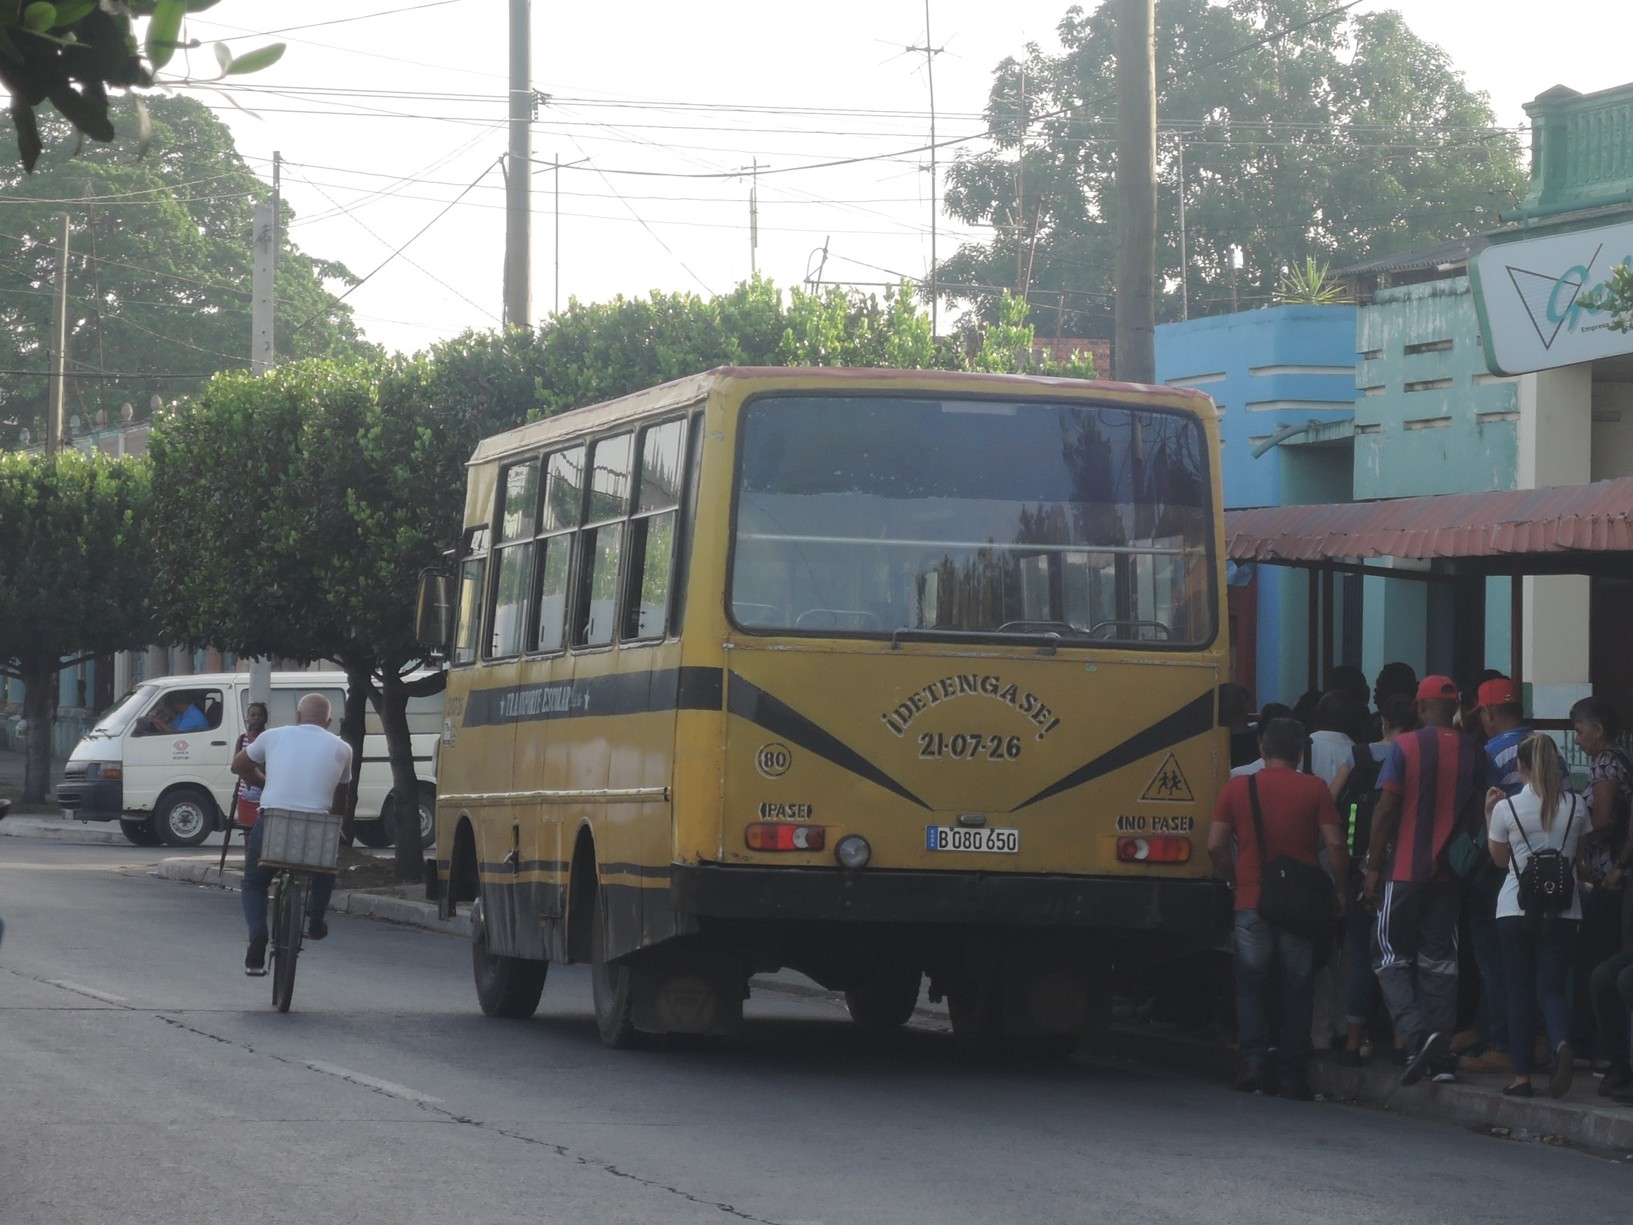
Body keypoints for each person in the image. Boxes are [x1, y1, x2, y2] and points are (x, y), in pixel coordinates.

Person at [1362, 675, 1493, 1086]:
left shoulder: (1404, 747)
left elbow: (1386, 809)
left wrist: (1371, 867)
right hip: (1450, 876)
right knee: (1440, 961)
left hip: (1403, 871)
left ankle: (1418, 1037)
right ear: (1453, 709)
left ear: (1419, 708)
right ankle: (1441, 1060)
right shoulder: (1475, 752)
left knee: (1387, 953)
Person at [1208, 717, 1348, 1100]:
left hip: (1252, 900)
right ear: (1300, 753)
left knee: (1251, 985)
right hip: (1300, 907)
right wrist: (1339, 890)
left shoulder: (1238, 788)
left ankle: (1252, 1062)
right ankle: (1291, 1074)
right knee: (1298, 988)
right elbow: (1335, 844)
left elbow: (1215, 845)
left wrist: (1235, 878)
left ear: (1261, 749)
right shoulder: (1315, 788)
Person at [1487, 733, 1586, 1098]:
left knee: (1519, 991)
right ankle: (1561, 1042)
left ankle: (1522, 1077)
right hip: (1564, 909)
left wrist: (1487, 813)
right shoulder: (1577, 806)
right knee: (1551, 987)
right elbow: (1580, 856)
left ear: (1521, 766)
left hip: (1515, 907)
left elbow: (1499, 860)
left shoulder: (1506, 808)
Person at [1457, 677, 1547, 1075]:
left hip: (1500, 869)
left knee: (1493, 960)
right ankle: (1537, 1039)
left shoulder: (1489, 753)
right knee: (1535, 962)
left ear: (1490, 713)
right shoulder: (1548, 750)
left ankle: (1503, 1043)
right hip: (1545, 870)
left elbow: (1483, 811)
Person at [231, 693, 353, 976]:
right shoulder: (342, 748)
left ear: (298, 717)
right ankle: (315, 919)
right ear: (329, 722)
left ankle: (258, 936)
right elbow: (340, 799)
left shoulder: (274, 736)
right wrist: (336, 825)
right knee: (324, 867)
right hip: (316, 824)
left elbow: (239, 766)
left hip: (274, 819)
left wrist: (264, 782)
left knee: (253, 882)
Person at [1333, 692, 1416, 1066]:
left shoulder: (1359, 756)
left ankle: (1353, 1043)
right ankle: (1401, 1040)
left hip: (1361, 868)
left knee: (1359, 955)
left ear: (1383, 722)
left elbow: (1331, 799)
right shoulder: (1417, 756)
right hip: (1404, 871)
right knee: (1401, 955)